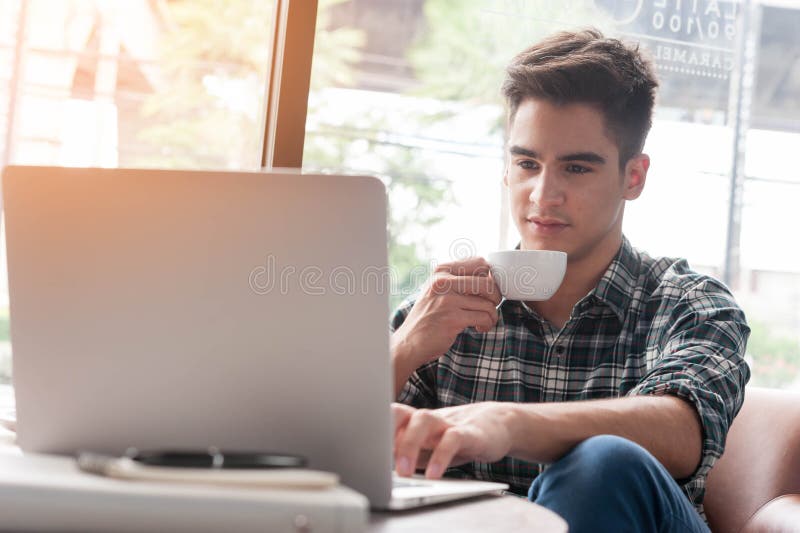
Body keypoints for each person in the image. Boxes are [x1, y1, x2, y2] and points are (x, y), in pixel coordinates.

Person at [388, 29, 750, 533]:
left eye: (576, 168)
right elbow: (320, 446)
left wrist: (506, 424)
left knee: (602, 463)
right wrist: (401, 348)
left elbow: (683, 430)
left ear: (634, 177)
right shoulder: (445, 308)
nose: (543, 194)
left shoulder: (691, 303)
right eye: (527, 164)